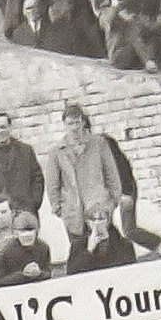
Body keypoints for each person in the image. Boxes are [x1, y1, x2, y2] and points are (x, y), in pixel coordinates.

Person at [48, 104, 122, 260]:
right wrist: (59, 208)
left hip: (98, 209)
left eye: (77, 123)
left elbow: (112, 175)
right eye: (70, 124)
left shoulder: (98, 143)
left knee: (104, 253)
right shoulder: (57, 151)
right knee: (80, 255)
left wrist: (112, 201)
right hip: (72, 212)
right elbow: (53, 185)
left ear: (82, 122)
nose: (74, 128)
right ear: (64, 125)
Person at [0, 112, 45, 213]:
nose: (0, 131)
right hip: (0, 215)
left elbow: (37, 178)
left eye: (3, 127)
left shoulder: (26, 151)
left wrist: (34, 203)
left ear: (10, 127)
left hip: (27, 212)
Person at [65, 204, 137, 274]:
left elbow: (130, 271)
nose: (97, 223)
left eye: (101, 219)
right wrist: (89, 250)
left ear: (108, 221)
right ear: (87, 222)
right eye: (93, 219)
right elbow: (71, 271)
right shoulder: (77, 245)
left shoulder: (125, 245)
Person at [0, 210, 52, 286]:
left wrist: (39, 273)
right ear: (15, 233)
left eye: (30, 230)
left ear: (37, 231)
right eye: (22, 231)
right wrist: (23, 275)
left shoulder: (43, 248)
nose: (27, 235)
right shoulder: (5, 250)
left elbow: (48, 272)